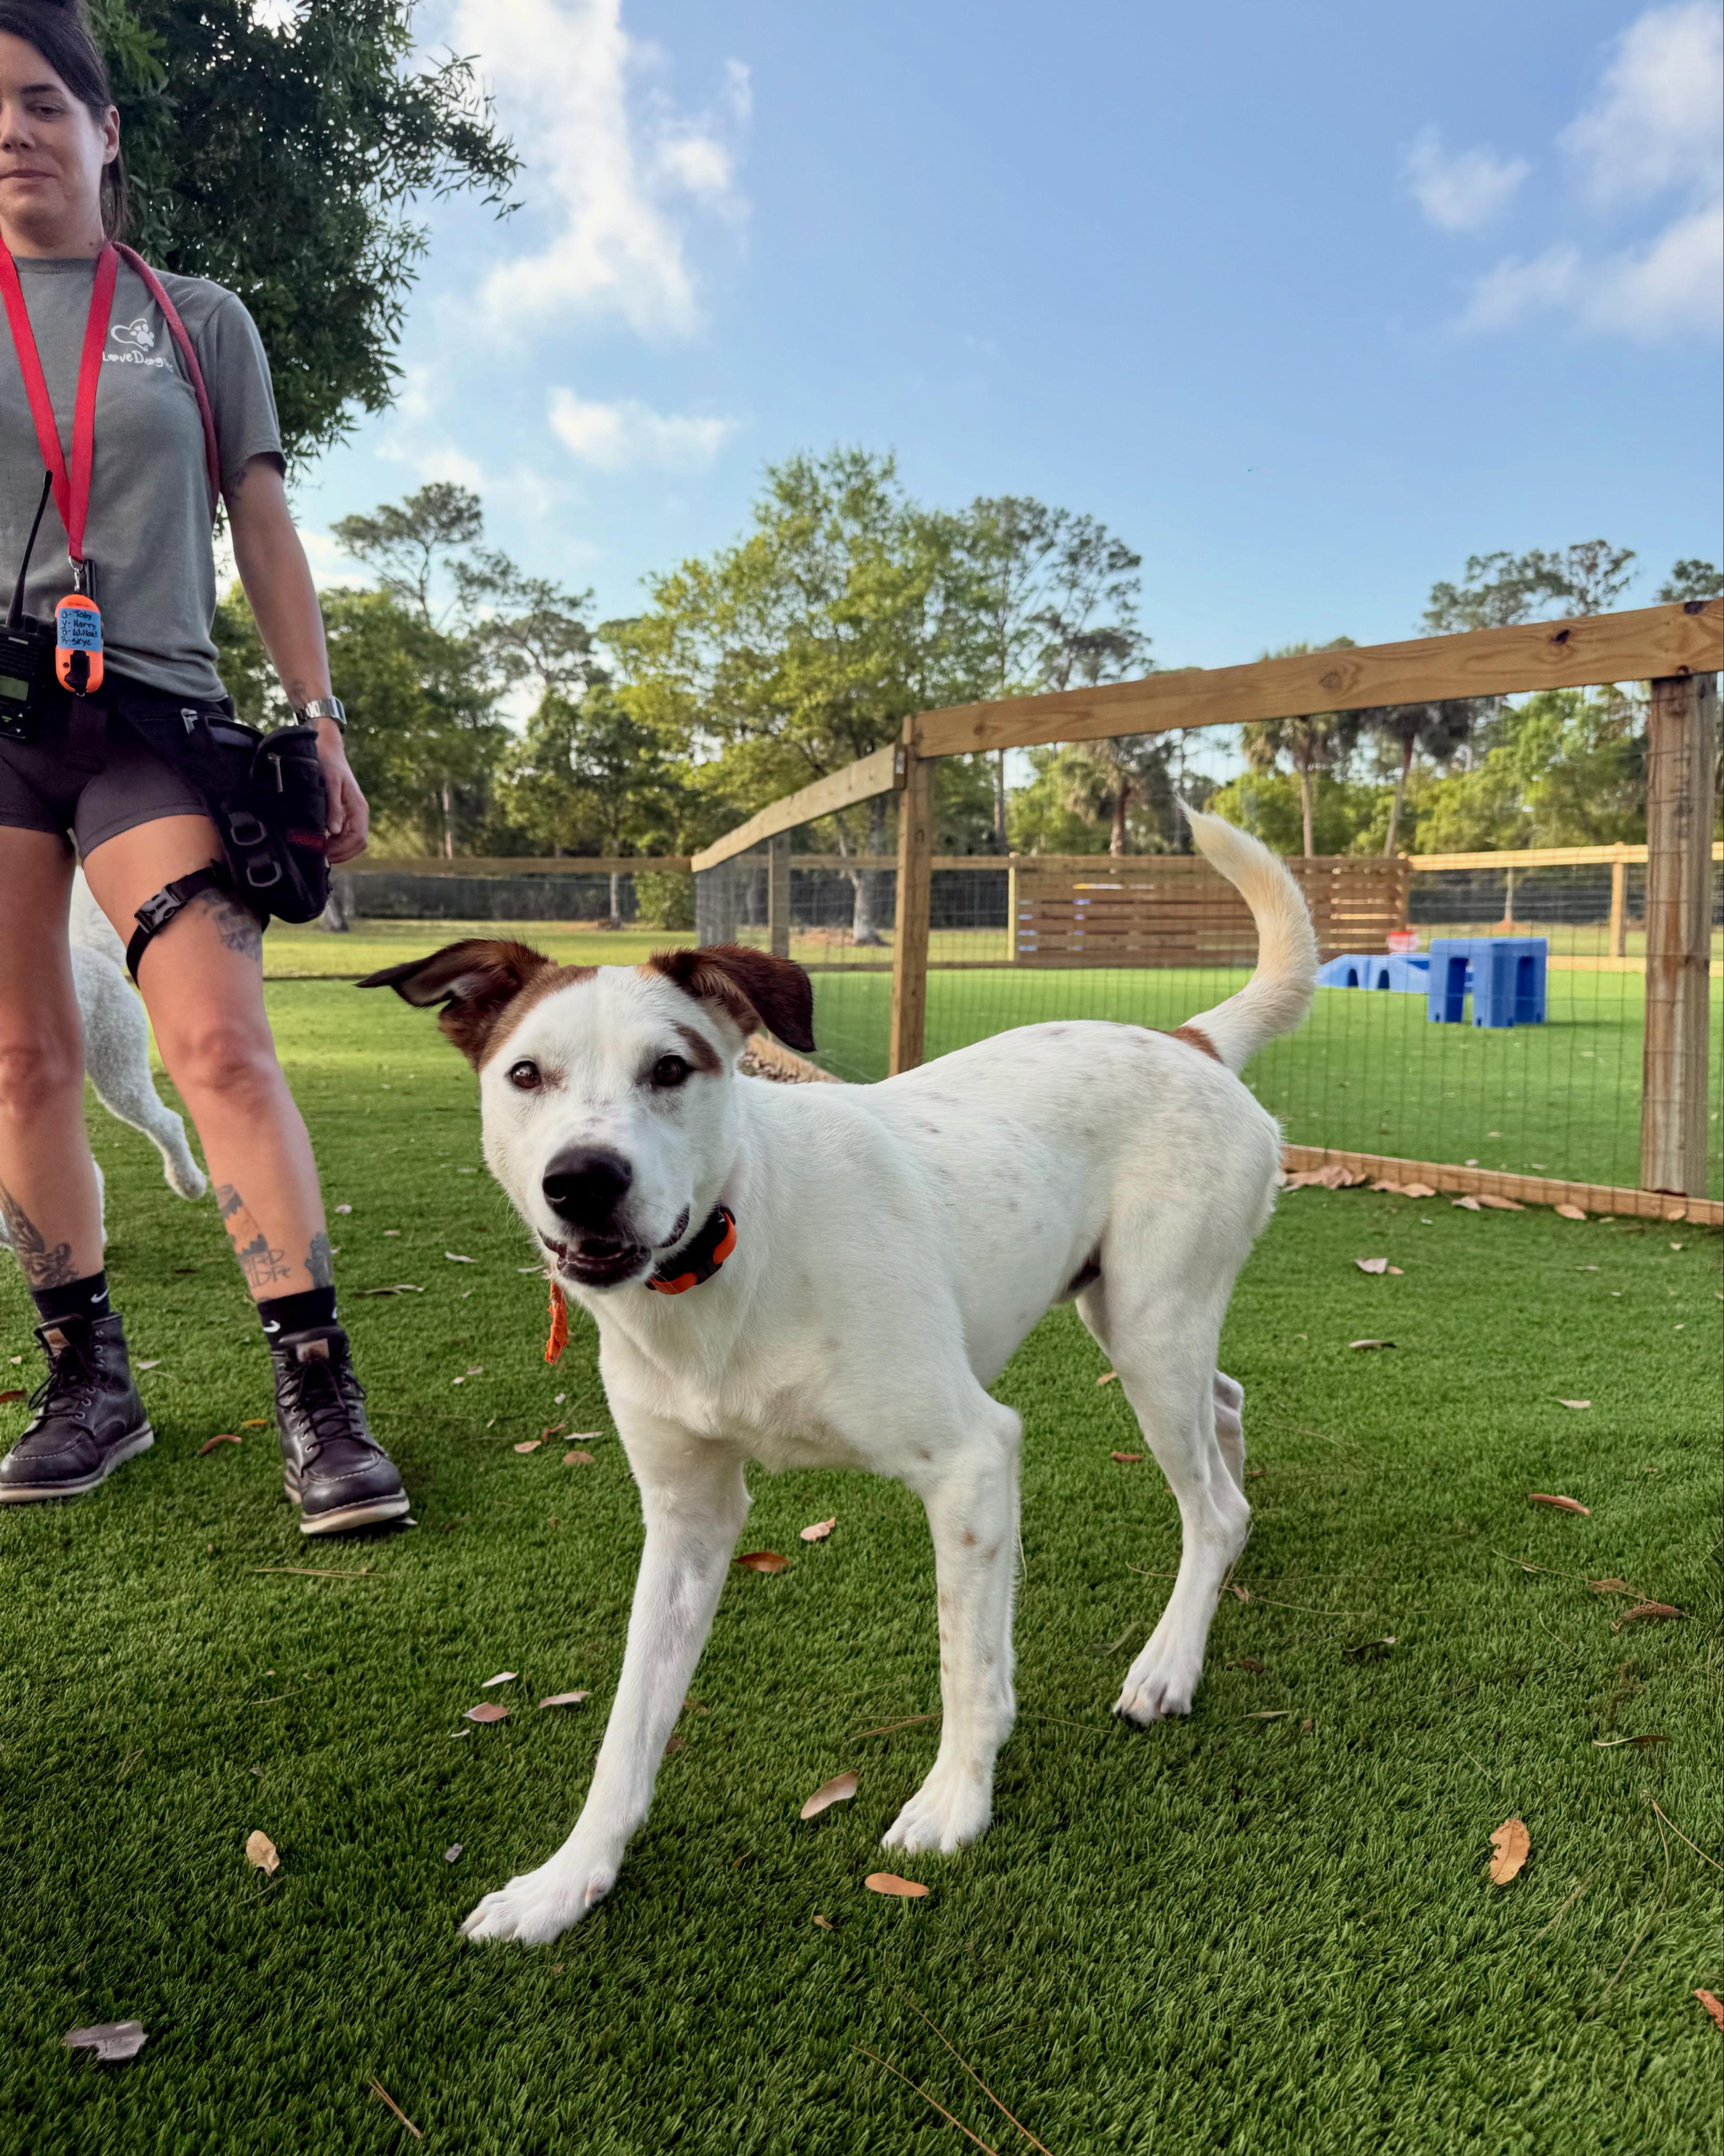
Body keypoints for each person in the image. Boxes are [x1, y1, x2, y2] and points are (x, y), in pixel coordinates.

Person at [0, 0, 408, 1531]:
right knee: (25, 1063)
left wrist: (319, 713)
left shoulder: (192, 316)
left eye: (44, 101)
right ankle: (87, 1386)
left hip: (159, 718)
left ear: (108, 131)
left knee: (221, 1050)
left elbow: (264, 521)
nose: (14, 131)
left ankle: (321, 1399)